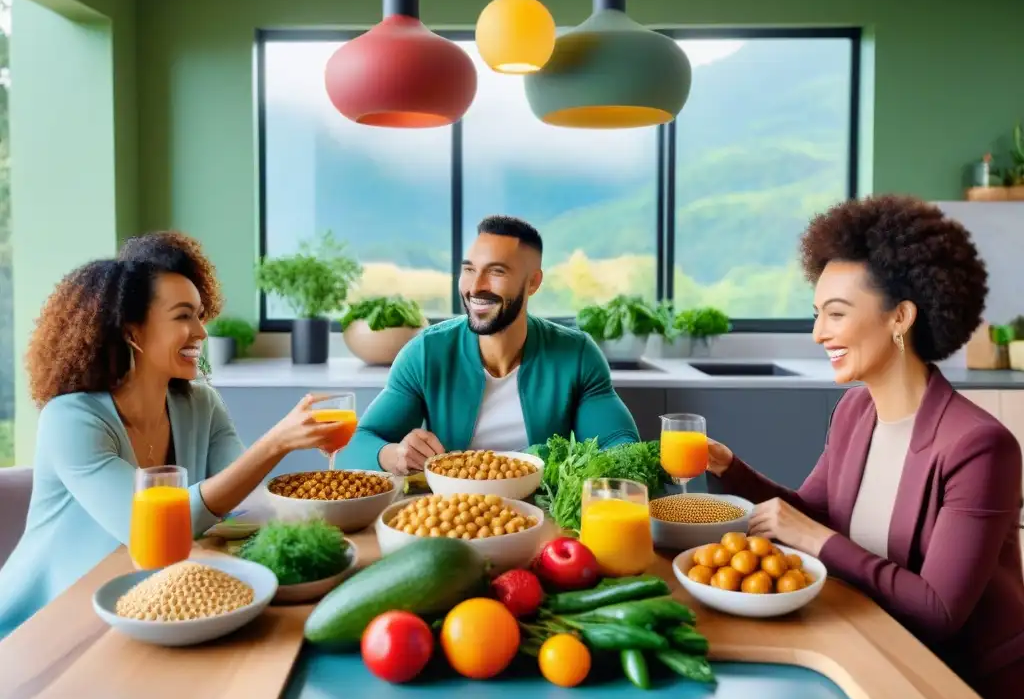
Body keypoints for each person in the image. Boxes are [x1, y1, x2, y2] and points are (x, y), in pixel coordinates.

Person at [707, 195, 1024, 699]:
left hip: (957, 680)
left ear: (900, 317)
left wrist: (815, 539)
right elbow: (813, 515)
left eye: (836, 314)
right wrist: (729, 468)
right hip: (872, 640)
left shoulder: (980, 448)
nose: (818, 334)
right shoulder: (856, 410)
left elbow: (939, 612)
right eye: (817, 314)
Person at [0, 231, 346, 634]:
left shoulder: (201, 404)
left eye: (200, 314)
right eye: (183, 316)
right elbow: (151, 527)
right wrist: (277, 443)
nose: (201, 332)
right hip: (43, 627)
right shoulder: (71, 419)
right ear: (132, 331)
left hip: (143, 608)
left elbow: (243, 497)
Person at [349, 215, 640, 475]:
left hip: (545, 508)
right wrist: (393, 455)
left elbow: (620, 443)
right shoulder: (425, 353)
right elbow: (356, 443)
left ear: (532, 283)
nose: (476, 287)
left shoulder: (577, 354)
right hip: (452, 509)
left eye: (496, 271)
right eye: (469, 270)